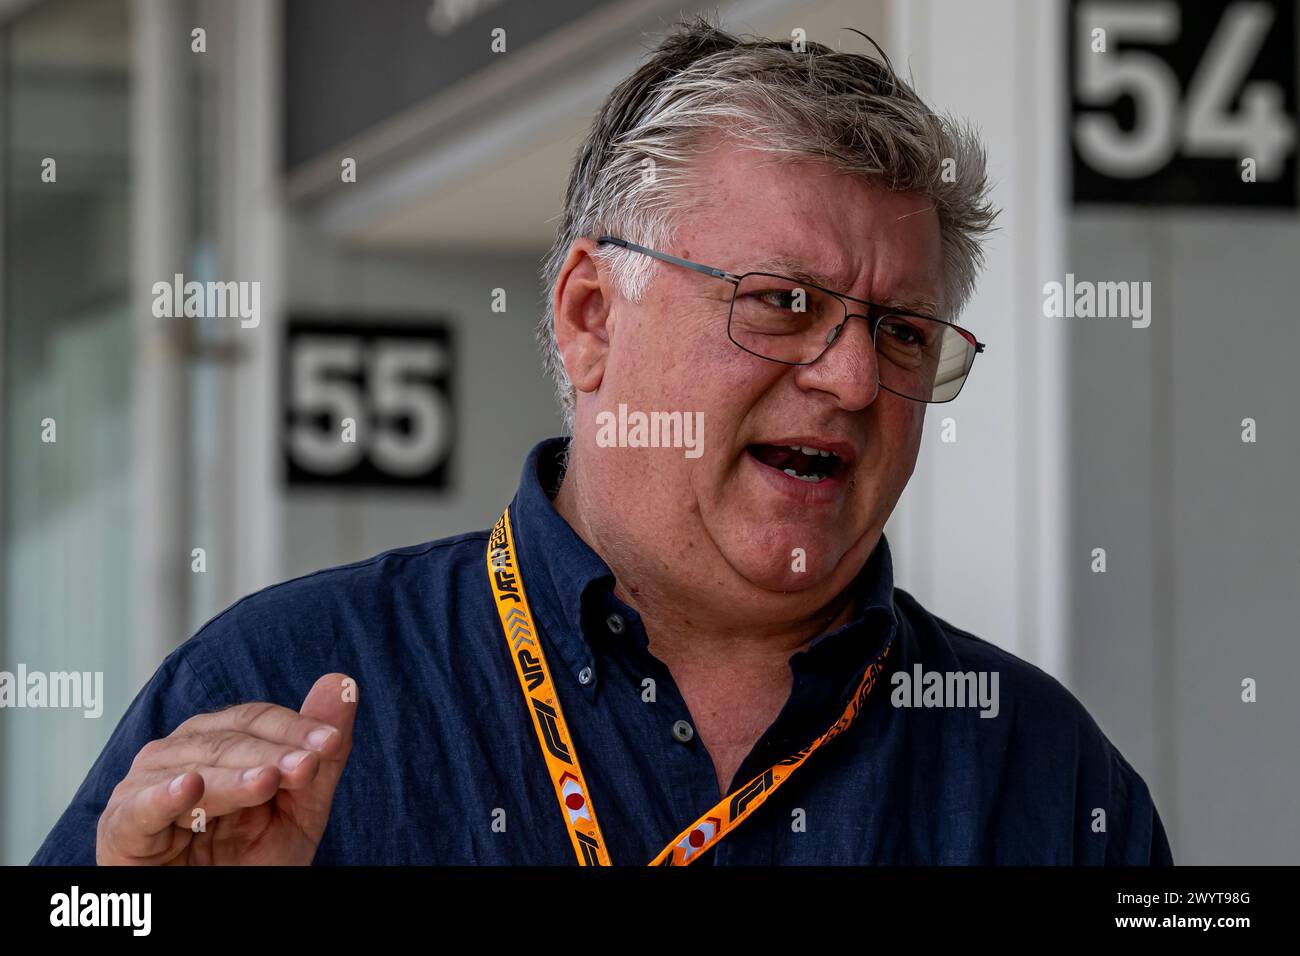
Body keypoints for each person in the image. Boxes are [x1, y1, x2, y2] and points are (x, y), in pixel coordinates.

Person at [32, 16, 1171, 866]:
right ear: (590, 317)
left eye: (903, 330)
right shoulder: (281, 681)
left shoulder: (1040, 769)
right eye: (780, 302)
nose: (853, 376)